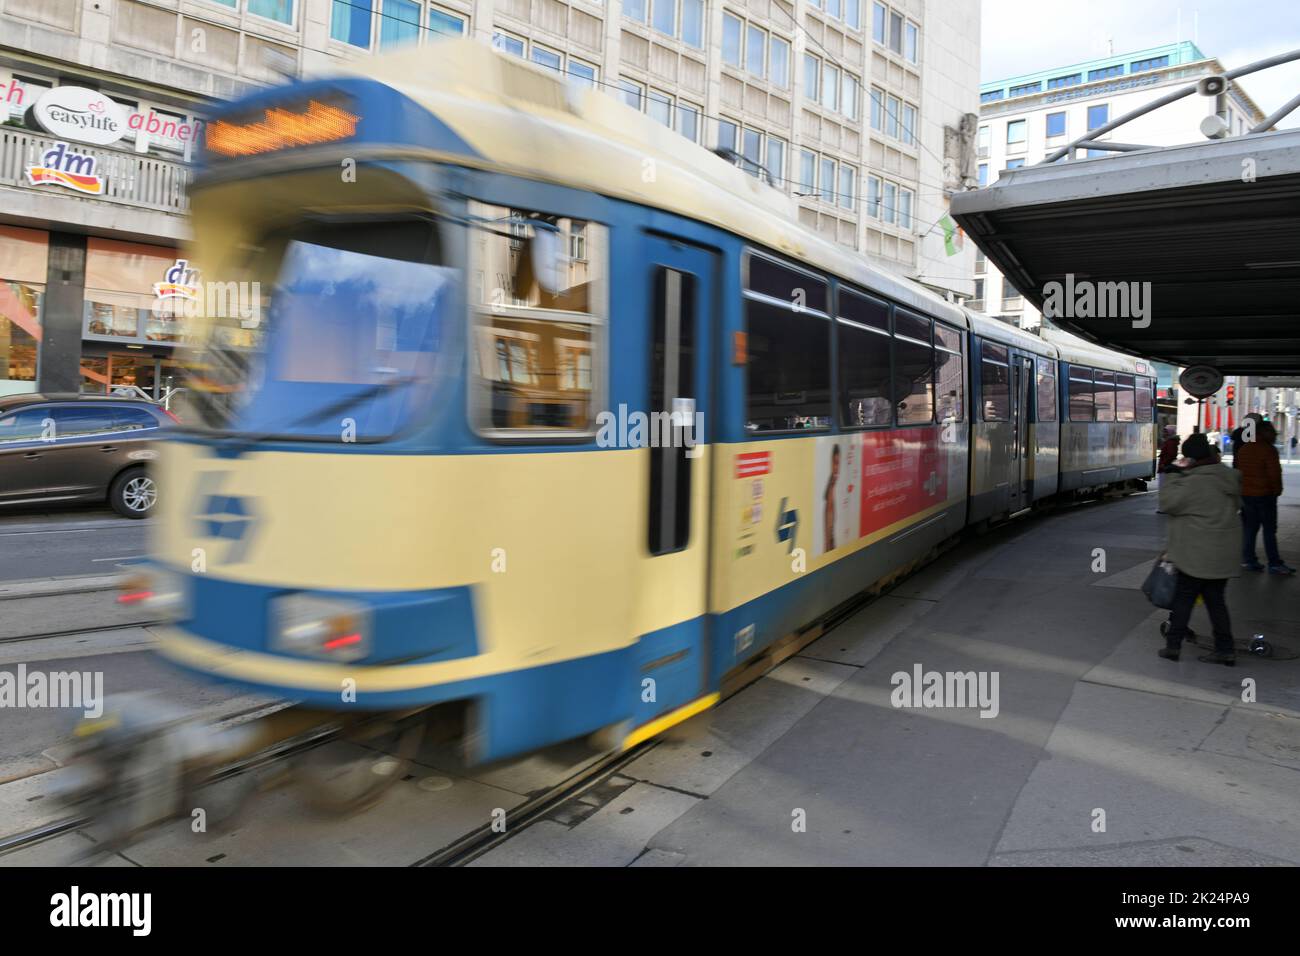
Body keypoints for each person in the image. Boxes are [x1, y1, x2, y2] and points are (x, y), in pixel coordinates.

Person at [1158, 432, 1243, 666]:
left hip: (1195, 554)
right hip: (1223, 554)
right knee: (1217, 603)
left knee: (1184, 600)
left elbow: (1168, 504)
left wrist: (1174, 476)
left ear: (1190, 459)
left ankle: (1173, 646)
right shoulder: (1227, 478)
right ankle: (1225, 649)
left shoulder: (1194, 482)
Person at [1235, 415, 1294, 574]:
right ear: (1265, 433)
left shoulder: (1244, 449)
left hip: (1247, 495)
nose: (1275, 435)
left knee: (1250, 529)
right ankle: (1274, 563)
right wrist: (1276, 491)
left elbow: (1240, 472)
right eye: (1272, 432)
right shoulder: (1268, 450)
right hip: (1264, 495)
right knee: (1269, 530)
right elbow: (1274, 474)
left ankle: (1248, 560)